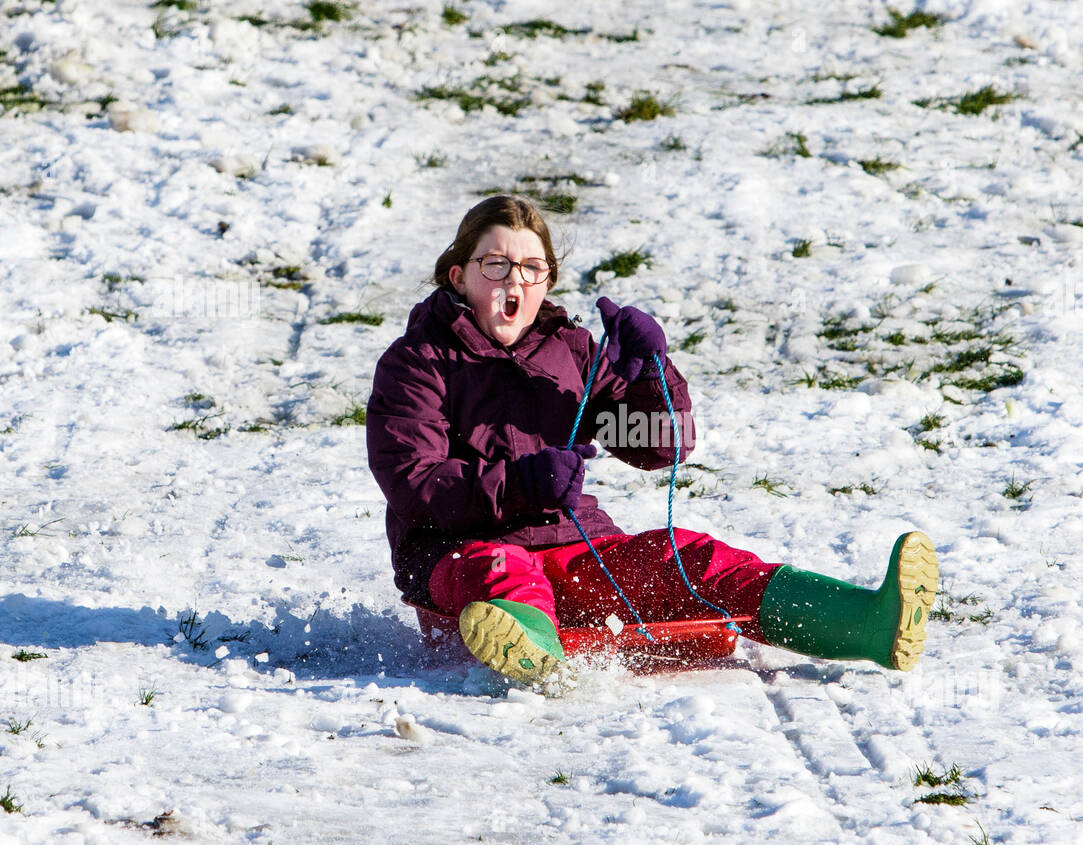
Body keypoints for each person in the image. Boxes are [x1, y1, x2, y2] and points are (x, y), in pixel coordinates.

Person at [366, 196, 938, 686]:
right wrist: (524, 482)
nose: (514, 282)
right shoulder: (418, 362)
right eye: (495, 266)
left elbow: (659, 445)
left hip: (573, 544)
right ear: (459, 276)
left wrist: (649, 374)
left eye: (531, 268)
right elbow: (414, 482)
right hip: (458, 553)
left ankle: (867, 623)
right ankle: (529, 648)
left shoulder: (569, 353)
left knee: (689, 559)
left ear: (548, 282)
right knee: (498, 570)